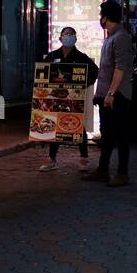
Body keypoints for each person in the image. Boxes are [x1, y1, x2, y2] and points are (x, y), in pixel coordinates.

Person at [82, 0, 134, 187]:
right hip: (106, 94)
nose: (100, 19)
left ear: (106, 16)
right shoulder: (111, 36)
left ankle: (122, 173)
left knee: (120, 134)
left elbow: (120, 68)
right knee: (107, 134)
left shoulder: (121, 37)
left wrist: (111, 93)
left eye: (101, 15)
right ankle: (103, 170)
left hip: (117, 95)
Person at [39, 26, 98, 172]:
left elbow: (94, 71)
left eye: (71, 34)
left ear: (76, 38)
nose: (68, 37)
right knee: (56, 127)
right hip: (55, 99)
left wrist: (85, 84)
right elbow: (41, 73)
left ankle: (83, 158)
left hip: (74, 99)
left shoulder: (81, 57)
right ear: (60, 38)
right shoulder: (52, 56)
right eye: (66, 34)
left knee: (77, 126)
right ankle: (52, 158)